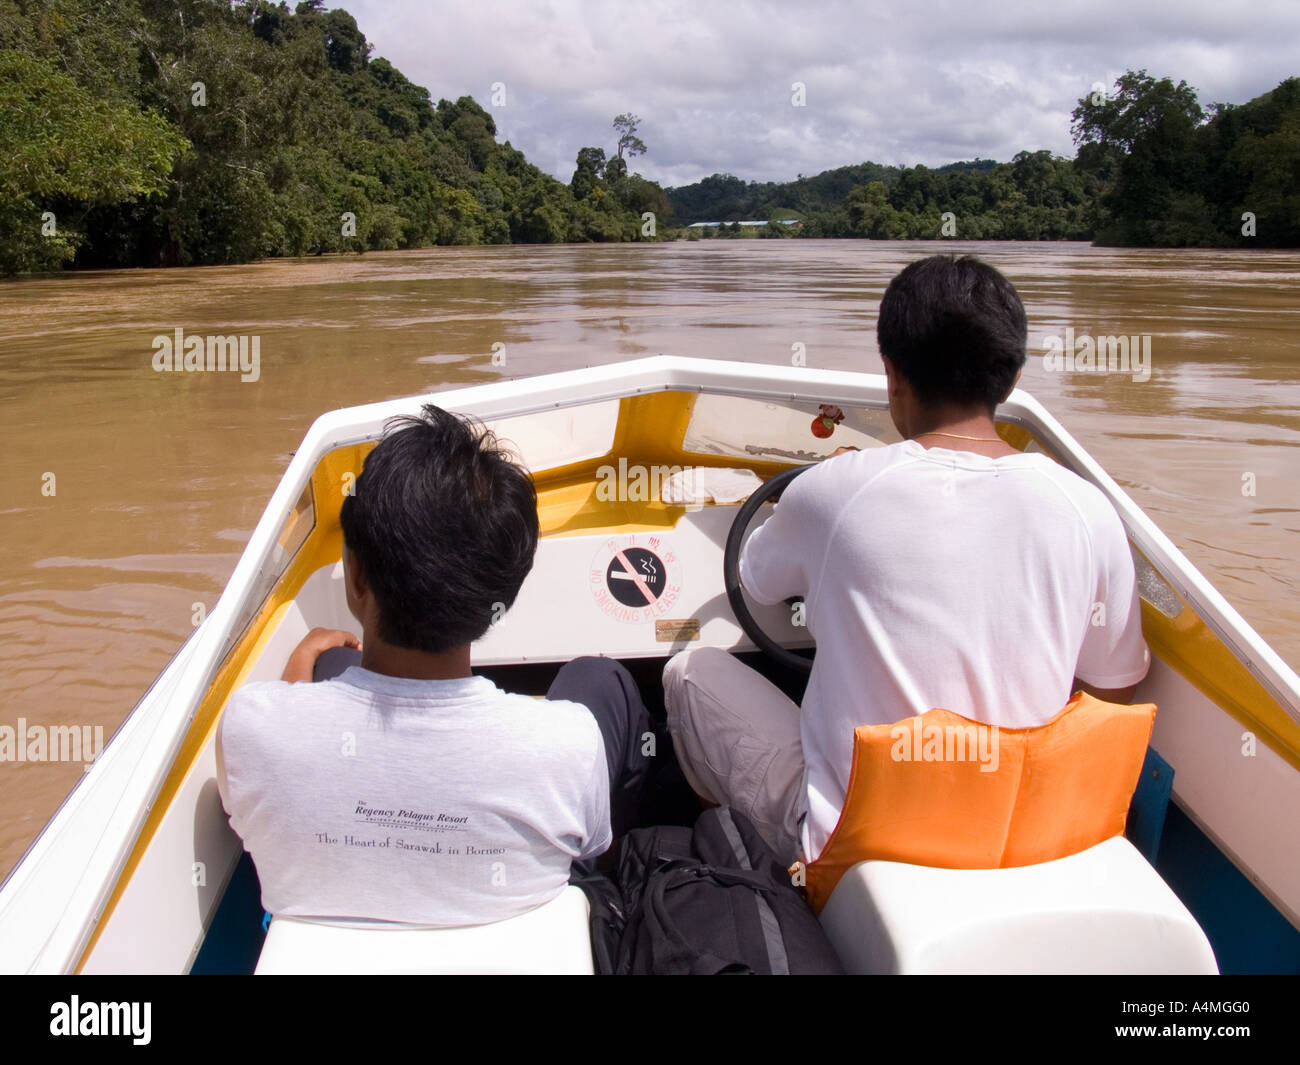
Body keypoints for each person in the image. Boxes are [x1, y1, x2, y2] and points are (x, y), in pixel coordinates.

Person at [663, 254, 1151, 867]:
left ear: (892, 373)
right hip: (1023, 840)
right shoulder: (1088, 509)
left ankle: (755, 868)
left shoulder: (832, 490)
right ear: (1013, 375)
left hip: (857, 845)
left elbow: (757, 583)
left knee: (690, 672)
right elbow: (1113, 687)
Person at [217, 405, 650, 927]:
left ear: (356, 579)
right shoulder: (568, 745)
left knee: (332, 663)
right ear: (502, 598)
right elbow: (586, 833)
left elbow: (281, 743)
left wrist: (296, 679)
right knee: (598, 679)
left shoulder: (251, 725)